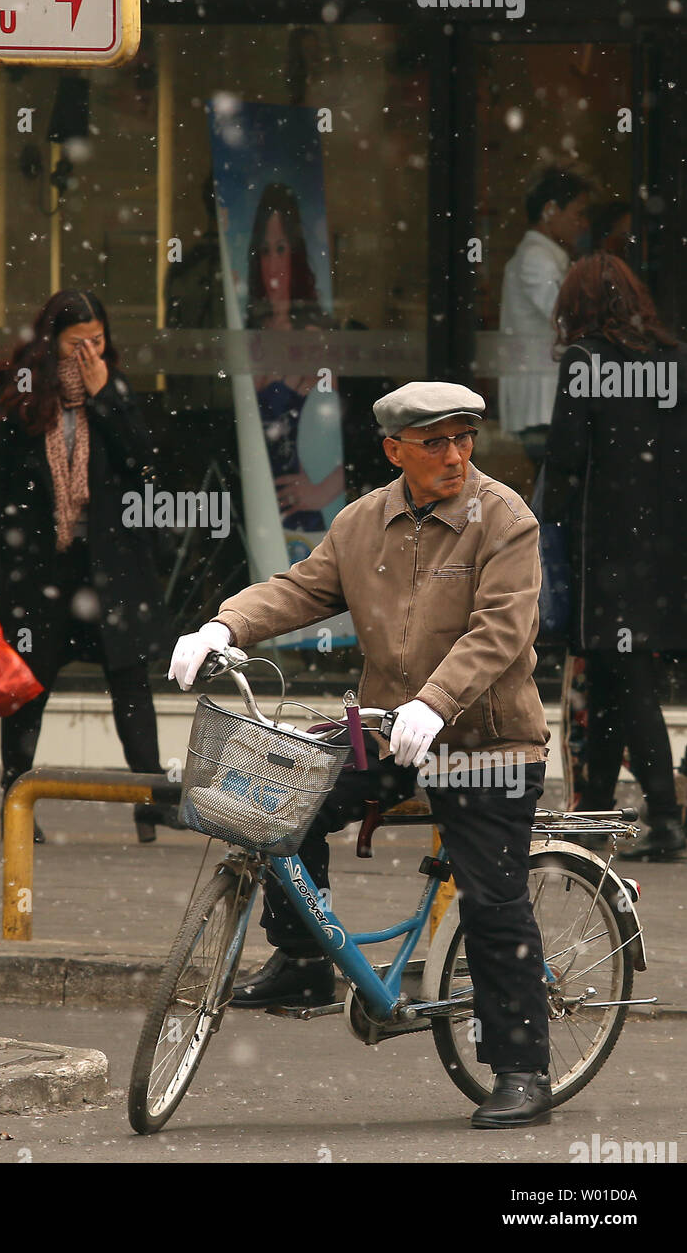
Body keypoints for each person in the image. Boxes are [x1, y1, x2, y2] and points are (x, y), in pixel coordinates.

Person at [170, 382, 555, 1129]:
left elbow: (500, 631)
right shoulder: (362, 523)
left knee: (491, 901)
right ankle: (305, 964)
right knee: (281, 791)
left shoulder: (504, 519)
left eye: (463, 438)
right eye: (435, 441)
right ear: (394, 450)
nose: (454, 454)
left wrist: (436, 702)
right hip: (387, 729)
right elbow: (298, 589)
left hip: (486, 741)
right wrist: (224, 629)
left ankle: (521, 1068)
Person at [0, 289, 174, 844]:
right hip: (39, 568)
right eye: (76, 341)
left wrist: (108, 398)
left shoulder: (117, 390)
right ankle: (18, 797)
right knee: (29, 684)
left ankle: (151, 801)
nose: (88, 351)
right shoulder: (24, 394)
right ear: (51, 341)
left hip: (109, 564)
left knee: (130, 679)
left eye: (97, 340)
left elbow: (143, 465)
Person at [542, 254, 687, 861]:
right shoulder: (673, 361)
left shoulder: (586, 362)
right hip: (666, 546)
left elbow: (567, 457)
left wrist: (541, 528)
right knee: (611, 676)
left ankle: (665, 818)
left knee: (625, 681)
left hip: (605, 548)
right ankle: (596, 814)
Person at [244, 182, 345, 533]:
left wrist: (322, 491)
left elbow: (358, 435)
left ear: (296, 254)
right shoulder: (251, 333)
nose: (272, 264)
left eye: (281, 249)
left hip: (298, 521)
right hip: (251, 510)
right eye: (266, 250)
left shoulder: (313, 340)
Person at [498, 167, 591, 462]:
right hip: (541, 402)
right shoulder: (537, 258)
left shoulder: (544, 257)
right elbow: (567, 317)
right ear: (550, 210)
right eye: (578, 213)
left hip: (545, 399)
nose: (583, 224)